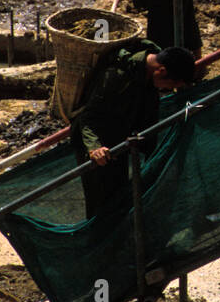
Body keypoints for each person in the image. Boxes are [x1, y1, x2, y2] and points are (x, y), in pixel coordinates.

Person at [69, 41, 195, 217]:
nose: (167, 90)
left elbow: (148, 118)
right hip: (97, 145)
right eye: (170, 86)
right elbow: (88, 117)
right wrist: (94, 148)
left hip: (119, 144)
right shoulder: (117, 75)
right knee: (101, 207)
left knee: (120, 200)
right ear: (162, 71)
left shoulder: (149, 77)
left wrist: (154, 157)